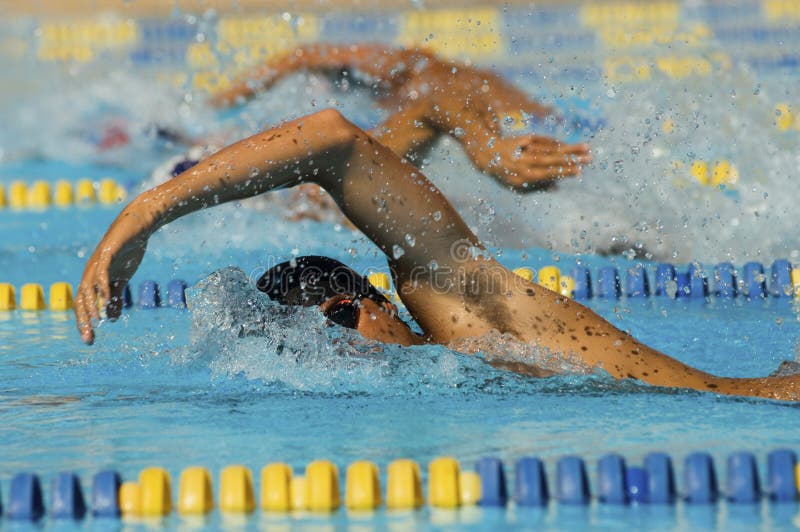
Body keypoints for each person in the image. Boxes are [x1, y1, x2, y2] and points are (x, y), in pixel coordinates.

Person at [75, 109, 799, 401]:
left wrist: (140, 218)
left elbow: (332, 139)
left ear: (363, 305)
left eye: (331, 335)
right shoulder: (436, 374)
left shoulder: (456, 308)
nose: (342, 360)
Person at [211, 43, 592, 191]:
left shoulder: (421, 76)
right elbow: (300, 55)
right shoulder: (422, 77)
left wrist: (489, 150)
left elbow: (443, 100)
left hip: (521, 138)